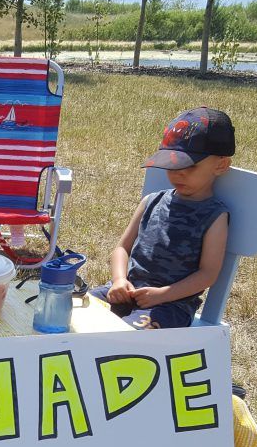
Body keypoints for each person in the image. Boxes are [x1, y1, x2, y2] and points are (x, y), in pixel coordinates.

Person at [90, 107, 234, 330]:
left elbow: (208, 274)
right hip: (126, 290)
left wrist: (162, 295)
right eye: (172, 165)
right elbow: (121, 249)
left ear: (221, 165)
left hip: (171, 305)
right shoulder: (151, 201)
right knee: (70, 307)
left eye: (189, 166)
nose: (178, 173)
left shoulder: (214, 215)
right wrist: (119, 280)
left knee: (129, 335)